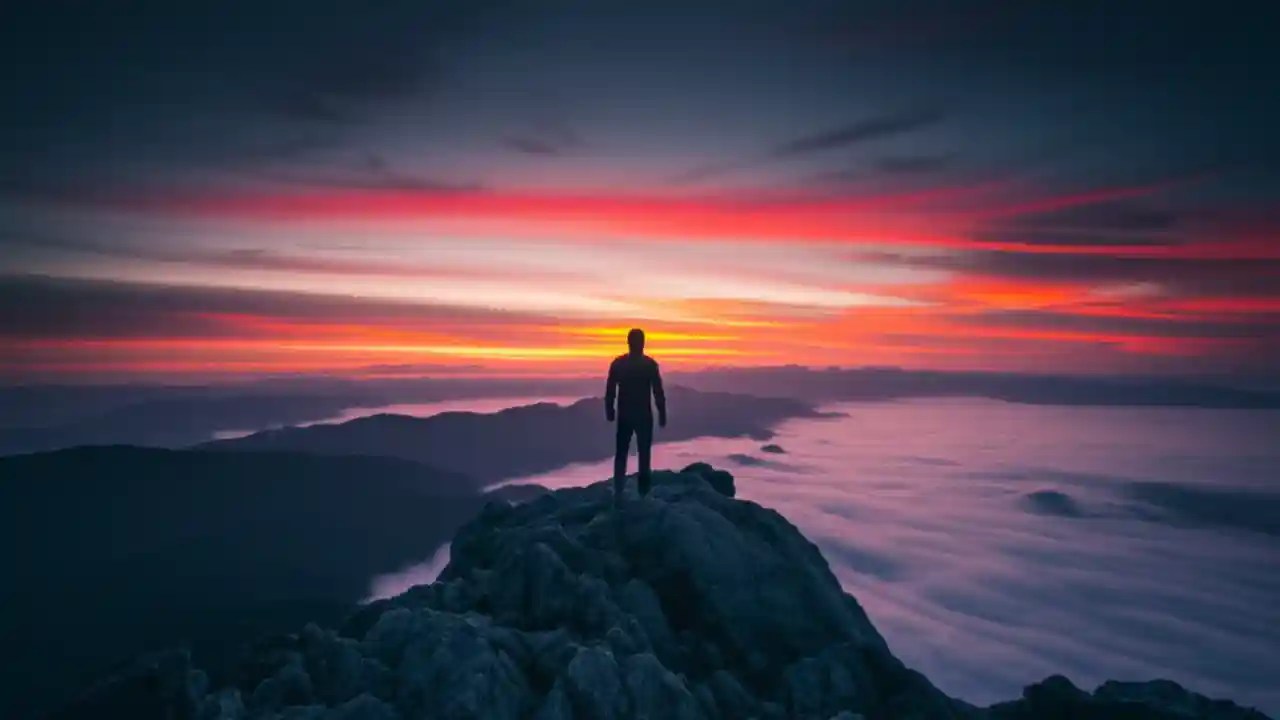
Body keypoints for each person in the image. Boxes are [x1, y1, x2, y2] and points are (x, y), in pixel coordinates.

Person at [605, 328, 667, 503]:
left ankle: (618, 490)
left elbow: (610, 390)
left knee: (621, 452)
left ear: (628, 342)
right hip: (643, 415)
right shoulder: (649, 365)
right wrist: (662, 412)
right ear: (643, 343)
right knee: (644, 454)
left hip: (625, 415)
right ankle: (644, 493)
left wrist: (609, 410)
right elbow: (658, 391)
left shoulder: (618, 364)